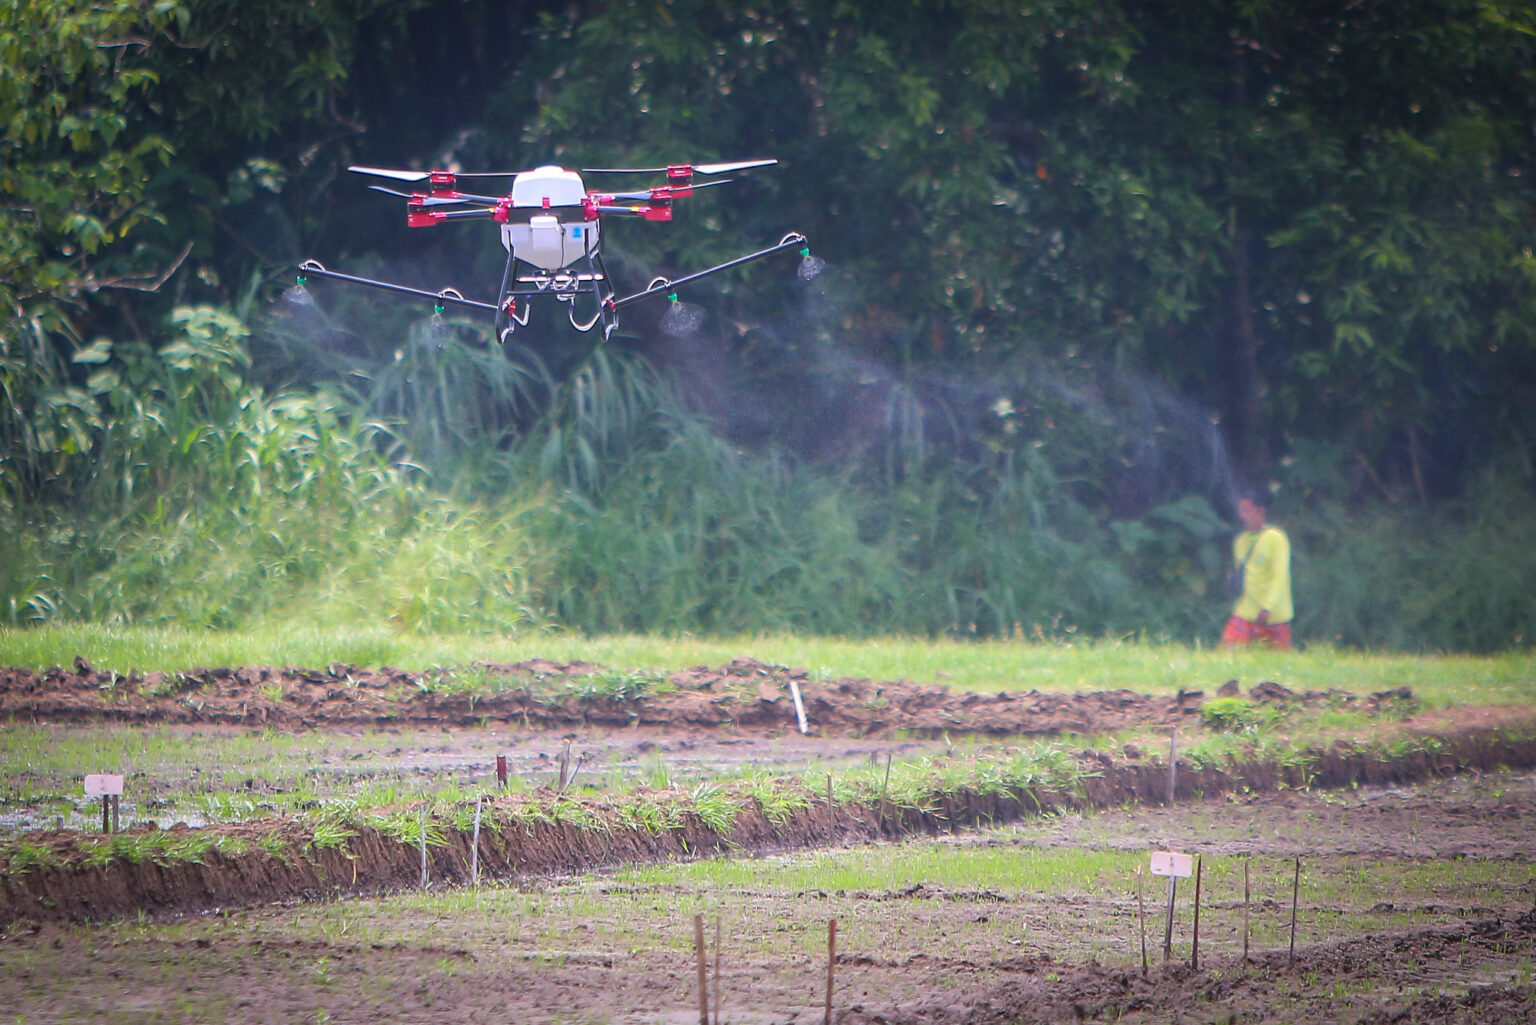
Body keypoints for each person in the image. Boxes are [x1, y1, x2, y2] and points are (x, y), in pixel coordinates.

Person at [1221, 493, 1293, 649]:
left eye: (1247, 511)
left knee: (1281, 664)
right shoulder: (1240, 541)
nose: (1242, 516)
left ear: (1261, 511)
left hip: (1274, 615)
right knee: (1227, 653)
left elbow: (1279, 576)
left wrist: (1267, 607)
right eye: (1240, 511)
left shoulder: (1276, 539)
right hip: (1245, 612)